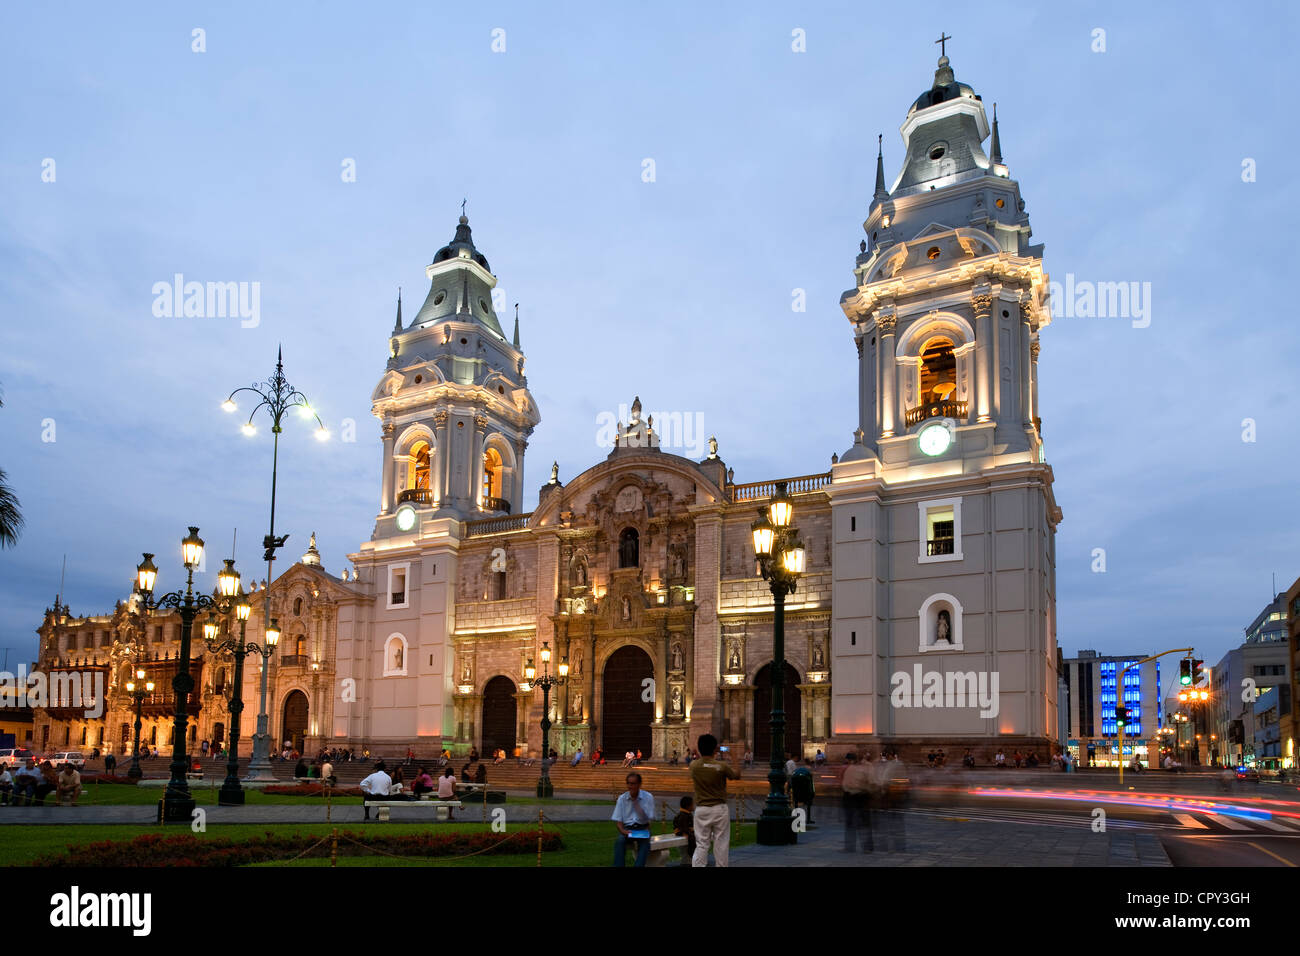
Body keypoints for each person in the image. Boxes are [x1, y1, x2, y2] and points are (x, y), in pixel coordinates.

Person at [689, 734, 740, 867]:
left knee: (701, 844)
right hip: (719, 809)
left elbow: (701, 761)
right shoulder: (721, 766)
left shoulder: (694, 766)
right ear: (715, 749)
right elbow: (737, 775)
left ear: (700, 749)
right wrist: (733, 756)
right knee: (721, 844)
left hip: (701, 809)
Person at [611, 772, 656, 867]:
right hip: (627, 829)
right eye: (628, 783)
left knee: (644, 843)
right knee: (619, 842)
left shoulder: (648, 797)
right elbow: (618, 820)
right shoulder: (622, 798)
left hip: (643, 828)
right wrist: (623, 831)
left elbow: (650, 819)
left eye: (633, 784)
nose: (630, 786)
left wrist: (636, 802)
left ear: (639, 784)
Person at [841, 752, 873, 853]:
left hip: (859, 796)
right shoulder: (852, 768)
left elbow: (871, 782)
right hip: (855, 796)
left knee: (860, 823)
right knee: (854, 823)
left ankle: (864, 847)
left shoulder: (865, 768)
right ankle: (852, 847)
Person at [673, 795, 696, 866]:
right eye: (693, 804)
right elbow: (682, 827)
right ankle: (691, 854)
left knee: (694, 838)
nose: (694, 806)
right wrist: (689, 833)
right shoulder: (683, 815)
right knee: (691, 840)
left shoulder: (687, 814)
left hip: (686, 830)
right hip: (681, 831)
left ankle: (692, 855)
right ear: (688, 806)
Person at [790, 757, 815, 824]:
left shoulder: (795, 775)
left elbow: (792, 784)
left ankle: (796, 818)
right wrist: (812, 792)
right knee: (808, 805)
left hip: (797, 793)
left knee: (796, 804)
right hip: (806, 793)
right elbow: (811, 785)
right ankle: (808, 819)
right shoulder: (808, 774)